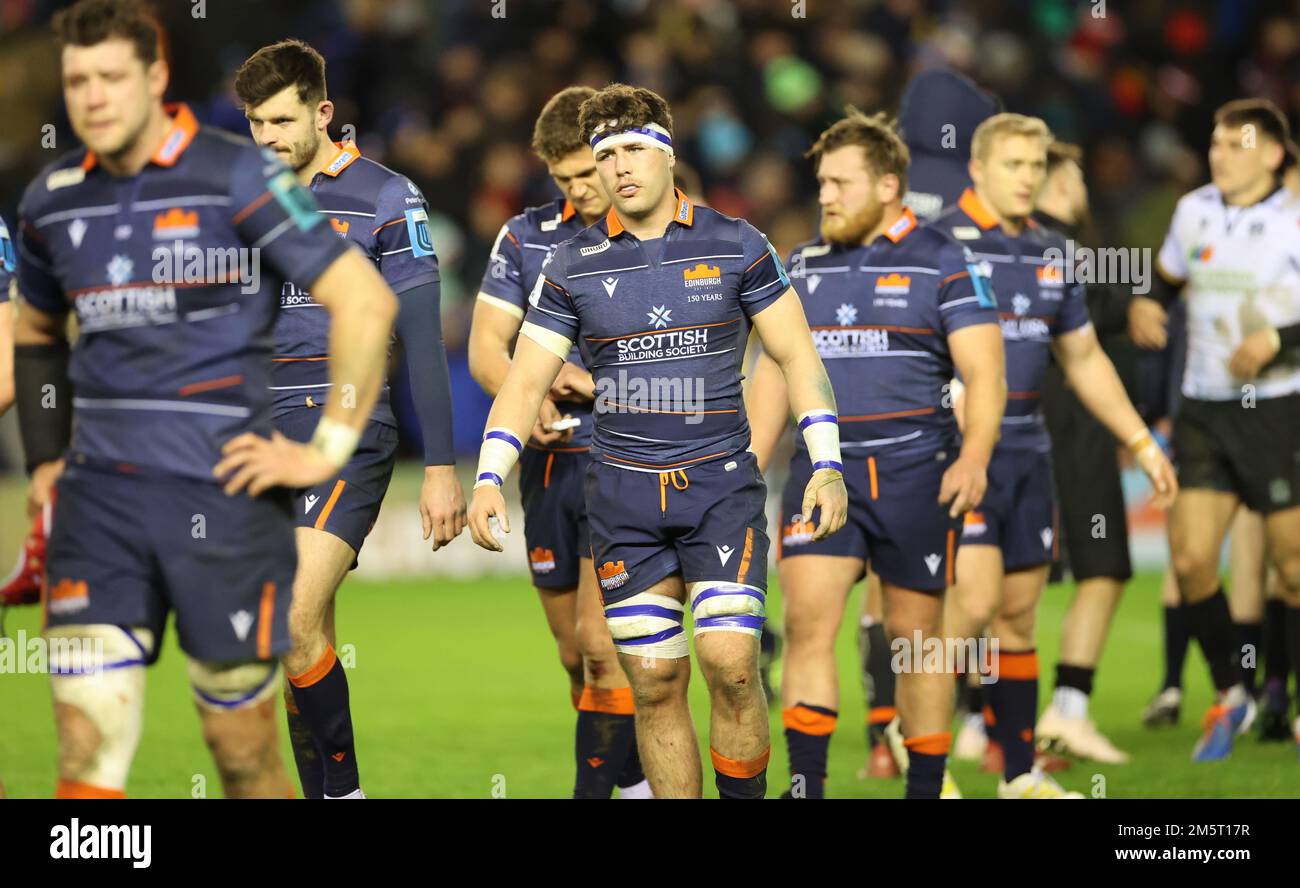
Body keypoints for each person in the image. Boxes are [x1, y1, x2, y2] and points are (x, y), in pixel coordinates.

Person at [13, 0, 396, 798]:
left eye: (111, 76)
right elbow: (38, 334)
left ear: (155, 78)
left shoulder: (237, 175)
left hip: (220, 505)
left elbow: (365, 301)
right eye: (77, 79)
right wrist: (47, 465)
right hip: (99, 511)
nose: (92, 96)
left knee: (242, 753)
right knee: (86, 746)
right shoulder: (50, 199)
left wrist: (326, 445)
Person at [467, 84, 848, 798]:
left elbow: (799, 358)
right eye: (605, 155)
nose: (619, 168)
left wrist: (826, 463)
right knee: (652, 680)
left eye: (634, 148)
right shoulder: (569, 264)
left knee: (733, 664)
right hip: (622, 497)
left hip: (719, 490)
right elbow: (522, 384)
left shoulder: (738, 242)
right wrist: (490, 474)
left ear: (670, 155)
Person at [747, 110, 1005, 799]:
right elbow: (773, 369)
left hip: (916, 474)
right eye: (821, 182)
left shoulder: (945, 258)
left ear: (888, 185)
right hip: (819, 476)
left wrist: (975, 456)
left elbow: (984, 373)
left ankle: (924, 786)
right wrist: (748, 461)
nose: (824, 195)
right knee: (807, 624)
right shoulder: (798, 264)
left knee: (916, 639)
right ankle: (807, 786)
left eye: (840, 183)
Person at [234, 38, 465, 799]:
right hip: (258, 438)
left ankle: (344, 794)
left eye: (279, 120)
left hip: (347, 430)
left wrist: (439, 467)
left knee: (294, 619)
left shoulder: (385, 197)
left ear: (323, 112)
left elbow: (424, 339)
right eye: (253, 124)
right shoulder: (244, 205)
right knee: (304, 638)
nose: (266, 138)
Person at [933, 114, 1176, 797]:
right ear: (976, 168)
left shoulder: (1052, 252)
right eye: (1013, 165)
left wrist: (1140, 440)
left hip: (1028, 457)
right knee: (972, 604)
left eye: (1035, 167)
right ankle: (926, 762)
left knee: (1015, 612)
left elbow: (1085, 357)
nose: (1027, 178)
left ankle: (1020, 774)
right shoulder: (937, 245)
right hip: (958, 458)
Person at [468, 86, 648, 798]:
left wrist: (602, 385)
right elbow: (486, 346)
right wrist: (532, 389)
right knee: (576, 655)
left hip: (628, 460)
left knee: (605, 649)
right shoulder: (525, 237)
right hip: (548, 468)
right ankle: (633, 782)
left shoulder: (663, 233)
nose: (581, 189)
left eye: (588, 172)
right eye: (565, 177)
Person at [1130, 98, 1300, 760]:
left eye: (1236, 144)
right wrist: (1147, 302)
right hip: (1203, 407)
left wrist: (1278, 339)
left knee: (1292, 569)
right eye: (1216, 143)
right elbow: (1166, 279)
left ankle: (1282, 692)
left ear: (1274, 154)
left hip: (1277, 408)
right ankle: (1233, 691)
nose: (1219, 154)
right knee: (1194, 559)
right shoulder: (1193, 209)